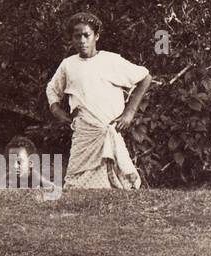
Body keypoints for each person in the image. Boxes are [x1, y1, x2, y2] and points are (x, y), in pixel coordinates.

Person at [45, 12, 150, 190]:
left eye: (87, 35)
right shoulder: (68, 65)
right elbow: (52, 89)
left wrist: (129, 113)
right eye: (77, 36)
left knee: (118, 181)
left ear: (96, 36)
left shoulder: (111, 60)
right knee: (75, 182)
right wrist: (56, 110)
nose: (82, 40)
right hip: (84, 132)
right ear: (71, 39)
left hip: (109, 128)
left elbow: (145, 77)